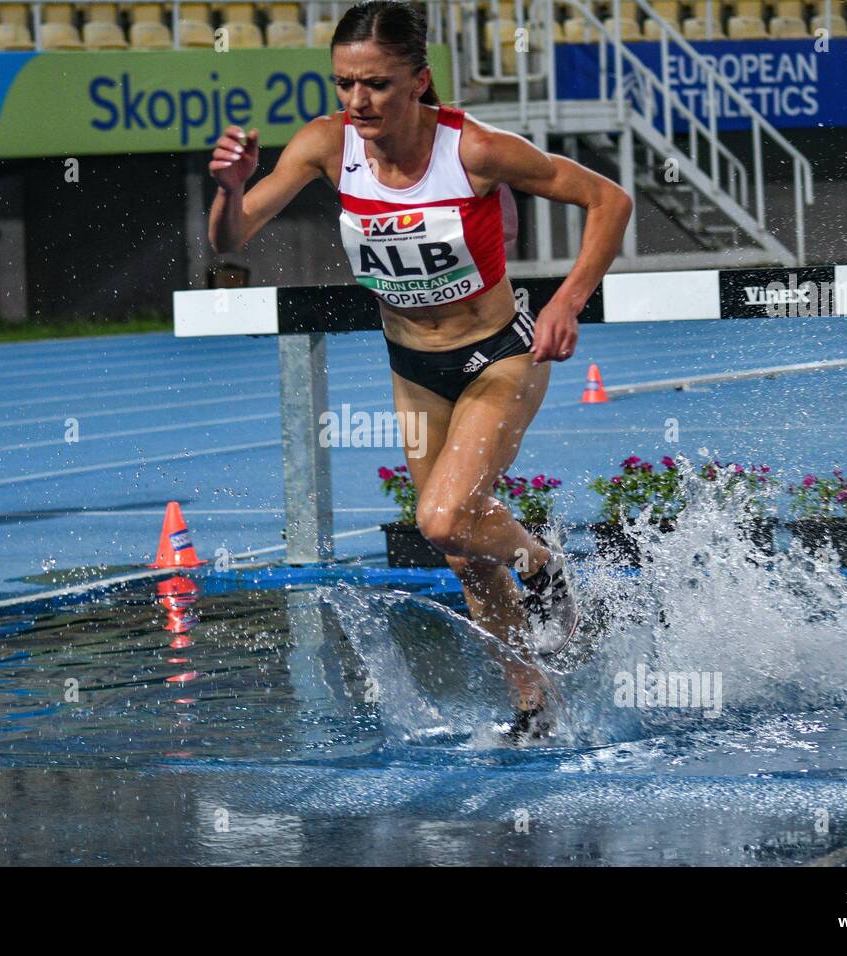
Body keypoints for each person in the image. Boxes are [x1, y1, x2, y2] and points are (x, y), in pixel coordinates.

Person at [207, 0, 632, 742]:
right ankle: (531, 701)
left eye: (374, 84)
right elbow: (230, 241)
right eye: (343, 84)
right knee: (460, 550)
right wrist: (230, 190)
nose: (357, 101)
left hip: (499, 356)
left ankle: (543, 565)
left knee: (441, 515)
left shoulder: (473, 150)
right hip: (411, 368)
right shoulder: (324, 146)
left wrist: (569, 298)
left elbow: (609, 199)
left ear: (419, 81)